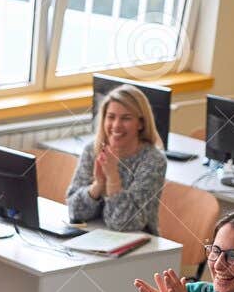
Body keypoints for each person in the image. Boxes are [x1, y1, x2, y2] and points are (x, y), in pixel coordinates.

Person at [65, 84, 167, 233]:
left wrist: (113, 178)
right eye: (111, 117)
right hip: (94, 238)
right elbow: (74, 211)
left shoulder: (153, 160)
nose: (116, 125)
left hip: (139, 245)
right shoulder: (92, 150)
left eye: (126, 118)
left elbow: (123, 223)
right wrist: (98, 186)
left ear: (141, 123)